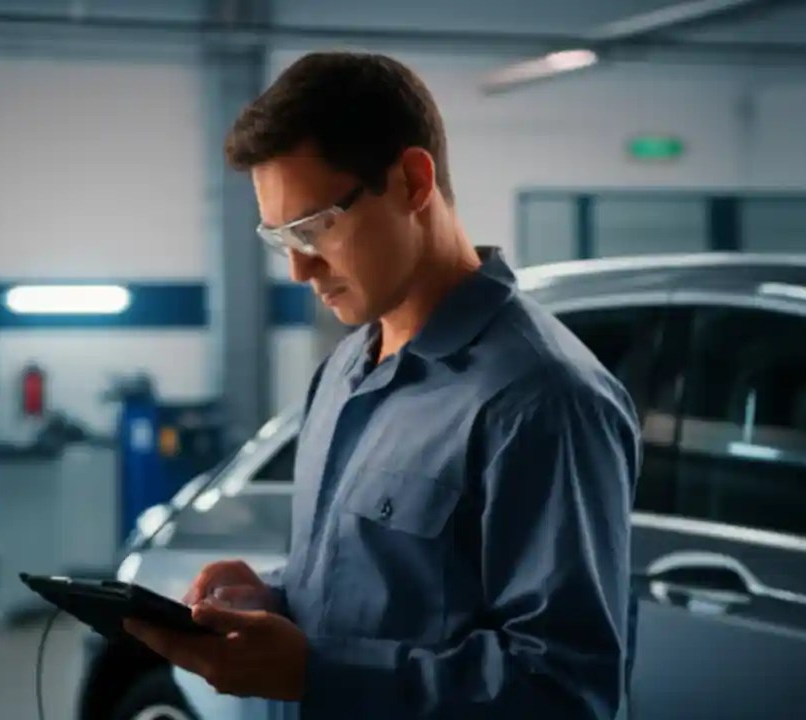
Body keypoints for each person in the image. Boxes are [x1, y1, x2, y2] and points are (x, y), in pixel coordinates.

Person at [124, 51, 640, 719]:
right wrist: (275, 599)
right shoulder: (346, 369)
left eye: (314, 229)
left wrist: (317, 669)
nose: (299, 270)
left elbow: (566, 692)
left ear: (412, 182)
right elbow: (384, 592)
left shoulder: (541, 400)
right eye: (279, 237)